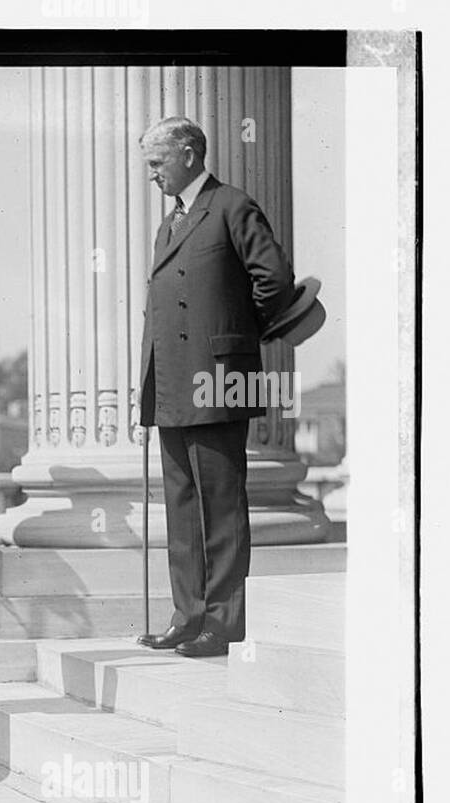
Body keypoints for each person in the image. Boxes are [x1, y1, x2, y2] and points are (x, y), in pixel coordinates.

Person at [135, 117, 296, 658]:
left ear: (187, 153)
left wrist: (237, 335)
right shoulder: (169, 226)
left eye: (157, 162)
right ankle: (188, 616)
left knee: (221, 504)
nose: (152, 174)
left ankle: (222, 623)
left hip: (221, 377)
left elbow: (273, 280)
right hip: (174, 383)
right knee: (181, 506)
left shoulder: (232, 205)